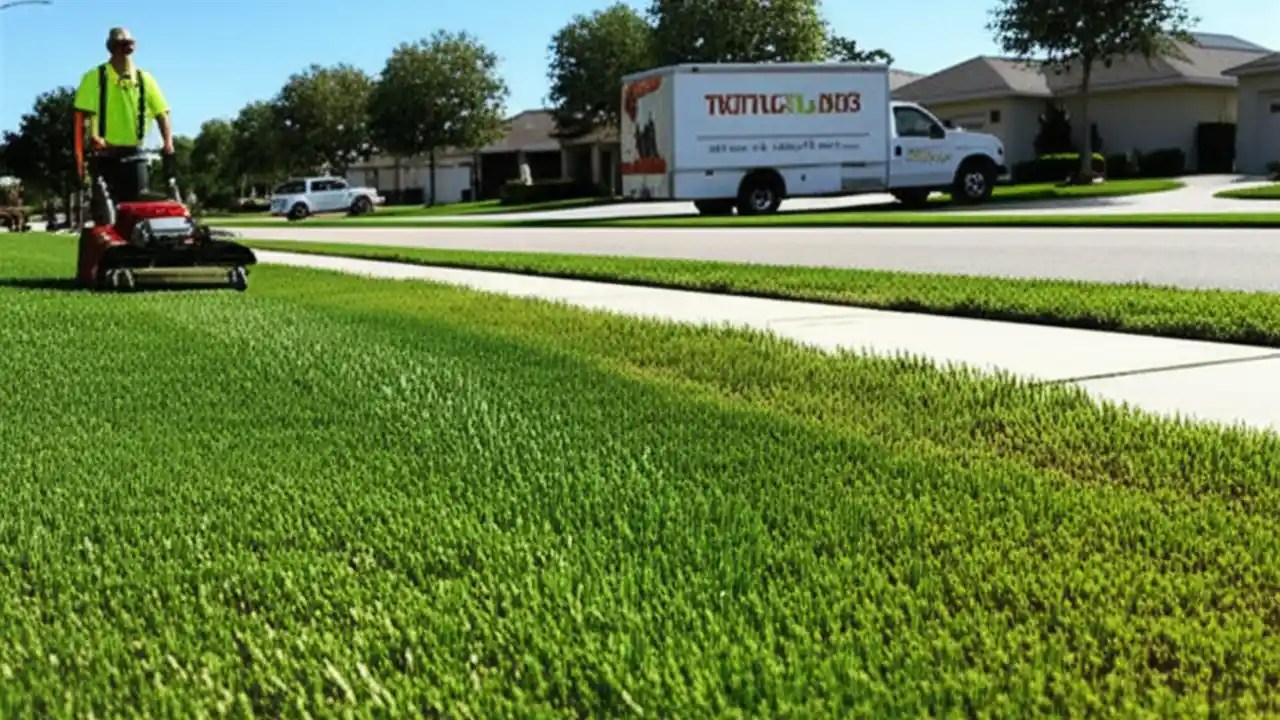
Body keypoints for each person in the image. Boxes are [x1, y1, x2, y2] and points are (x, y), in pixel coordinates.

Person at [72, 27, 172, 211]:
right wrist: (80, 159)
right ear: (111, 48)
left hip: (135, 154)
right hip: (103, 155)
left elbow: (162, 112)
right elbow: (79, 119)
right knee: (106, 210)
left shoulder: (145, 79)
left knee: (137, 206)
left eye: (129, 44)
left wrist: (168, 143)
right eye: (122, 45)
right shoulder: (94, 78)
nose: (126, 49)